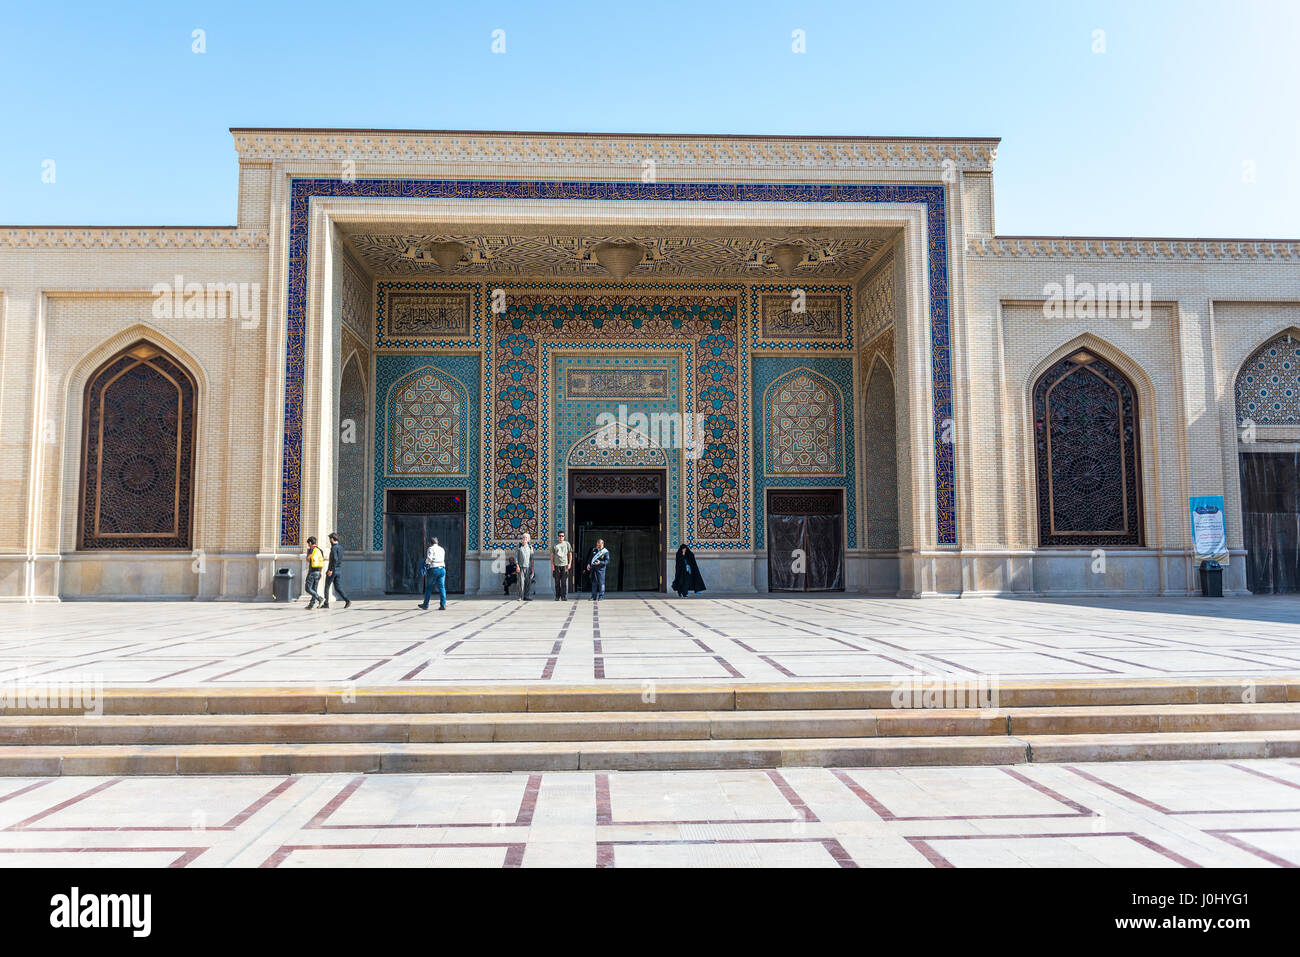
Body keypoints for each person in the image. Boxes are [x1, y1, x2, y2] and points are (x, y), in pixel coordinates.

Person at [320, 532, 352, 609]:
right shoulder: (341, 548)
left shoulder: (334, 548)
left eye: (329, 539)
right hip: (338, 570)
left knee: (327, 586)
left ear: (332, 539)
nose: (329, 541)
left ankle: (326, 603)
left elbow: (334, 559)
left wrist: (330, 570)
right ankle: (347, 600)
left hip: (333, 570)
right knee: (338, 587)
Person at [418, 536, 446, 610]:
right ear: (437, 542)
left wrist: (425, 563)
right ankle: (443, 604)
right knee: (442, 587)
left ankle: (425, 604)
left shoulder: (430, 549)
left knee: (429, 587)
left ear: (430, 543)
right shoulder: (442, 549)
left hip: (434, 569)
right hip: (442, 569)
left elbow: (429, 558)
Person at [304, 536, 325, 609]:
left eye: (308, 543)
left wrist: (307, 553)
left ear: (310, 542)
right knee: (314, 589)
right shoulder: (320, 550)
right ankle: (311, 605)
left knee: (307, 588)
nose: (308, 545)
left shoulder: (312, 549)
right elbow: (322, 562)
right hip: (318, 572)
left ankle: (320, 599)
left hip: (312, 572)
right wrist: (320, 572)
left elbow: (308, 559)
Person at [551, 530, 572, 601]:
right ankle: (557, 596)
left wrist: (569, 563)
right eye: (560, 536)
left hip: (565, 565)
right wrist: (552, 565)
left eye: (562, 536)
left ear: (564, 537)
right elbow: (552, 555)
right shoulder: (555, 545)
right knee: (557, 582)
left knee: (563, 582)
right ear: (558, 537)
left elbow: (570, 554)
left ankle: (564, 596)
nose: (561, 537)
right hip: (557, 565)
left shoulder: (567, 544)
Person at [515, 533, 535, 601]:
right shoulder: (519, 546)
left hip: (528, 567)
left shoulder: (530, 547)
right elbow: (516, 557)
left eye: (526, 538)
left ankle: (526, 596)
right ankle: (520, 596)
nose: (525, 539)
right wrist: (517, 566)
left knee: (528, 582)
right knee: (521, 583)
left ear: (528, 539)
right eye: (523, 537)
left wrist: (532, 568)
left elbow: (532, 558)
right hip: (521, 567)